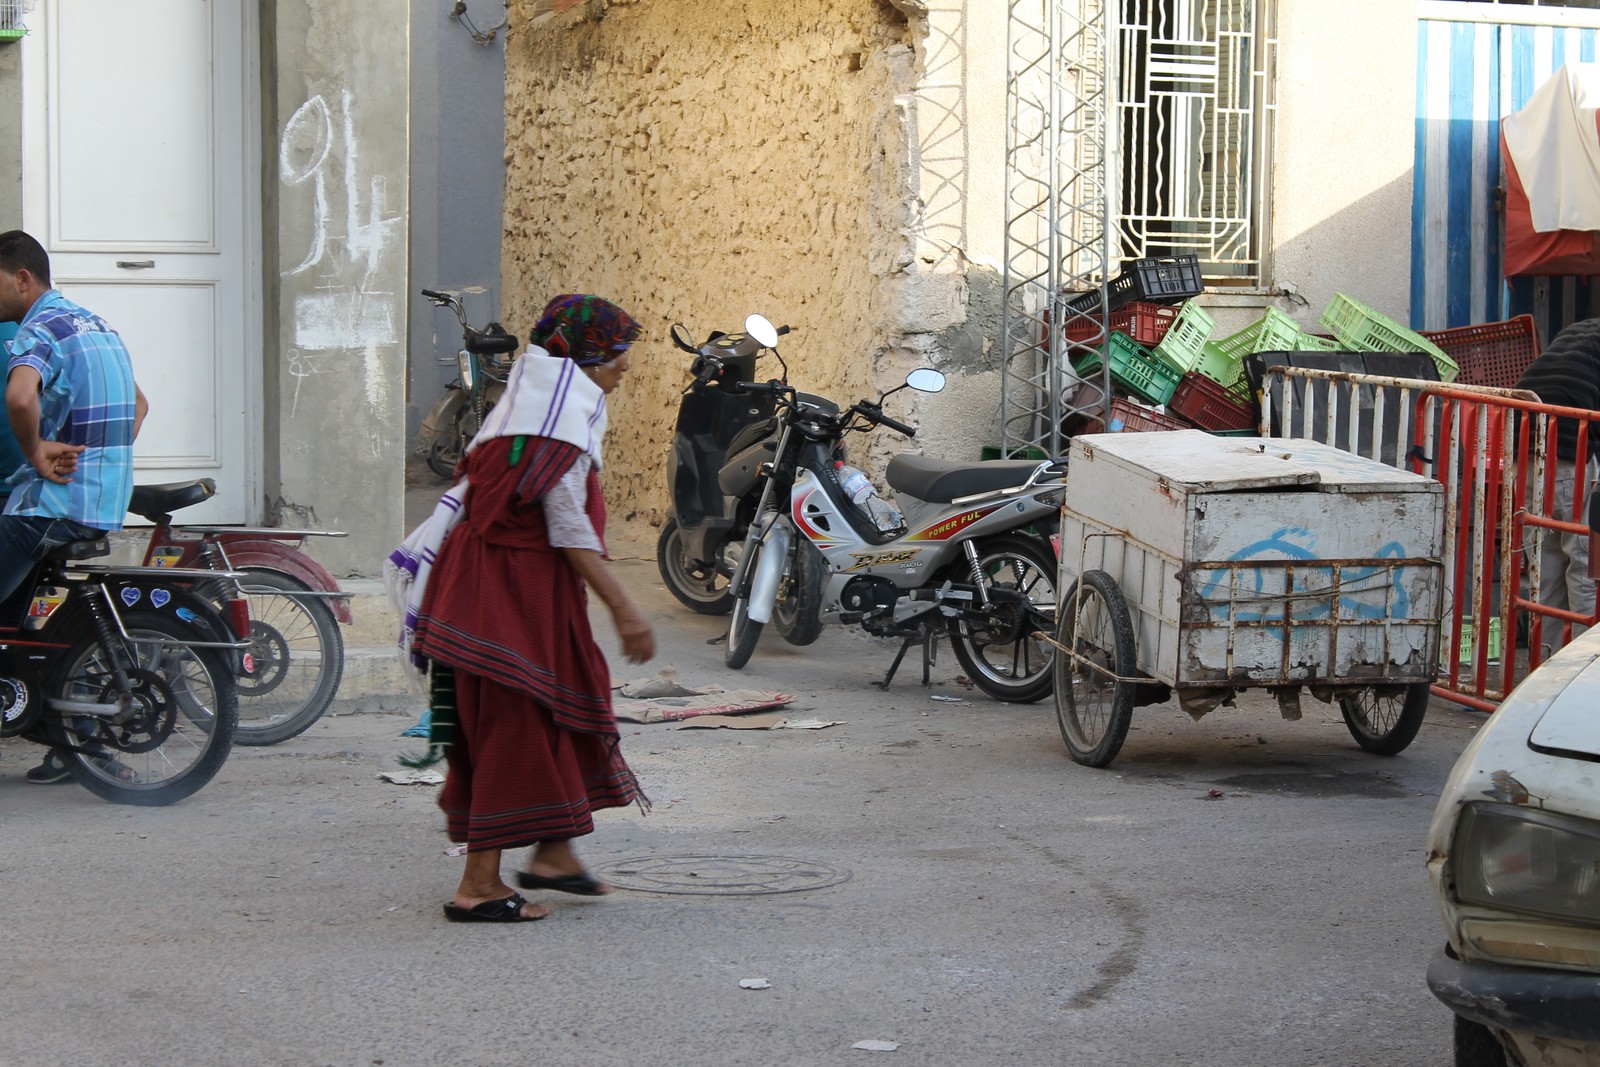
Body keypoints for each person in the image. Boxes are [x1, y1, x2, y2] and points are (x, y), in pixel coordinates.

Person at [407, 293, 654, 923]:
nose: (624, 370)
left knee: (565, 703)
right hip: (503, 598)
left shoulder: (532, 407)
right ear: (589, 357)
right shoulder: (556, 423)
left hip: (503, 590)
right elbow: (569, 527)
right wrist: (626, 610)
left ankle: (554, 853)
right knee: (513, 723)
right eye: (618, 358)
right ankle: (478, 886)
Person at [0, 230, 150, 783]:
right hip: (101, 502)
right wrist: (102, 464)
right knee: (18, 623)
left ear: (22, 278)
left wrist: (38, 453)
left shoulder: (38, 328)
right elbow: (139, 404)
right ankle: (67, 741)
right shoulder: (95, 324)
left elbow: (19, 396)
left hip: (51, 504)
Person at [1514, 316, 1600, 644]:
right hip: (1566, 445)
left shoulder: (1582, 330)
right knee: (1584, 562)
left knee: (1545, 565)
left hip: (1526, 445)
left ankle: (1544, 666)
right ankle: (1583, 670)